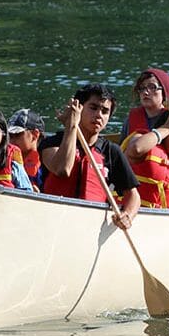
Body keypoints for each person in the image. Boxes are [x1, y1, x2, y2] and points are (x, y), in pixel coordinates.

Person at [40, 83, 140, 231]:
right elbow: (63, 169)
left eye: (105, 111)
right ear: (79, 108)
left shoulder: (111, 151)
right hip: (54, 223)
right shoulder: (52, 143)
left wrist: (128, 215)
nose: (99, 115)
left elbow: (134, 196)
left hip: (89, 228)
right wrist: (71, 125)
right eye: (93, 108)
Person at [123, 95, 169, 210]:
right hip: (127, 212)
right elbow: (136, 148)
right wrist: (168, 126)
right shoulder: (142, 139)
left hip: (163, 221)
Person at [119, 68, 169, 143]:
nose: (145, 92)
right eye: (142, 88)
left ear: (164, 93)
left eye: (152, 87)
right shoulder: (129, 121)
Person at [7, 108, 45, 192]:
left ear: (35, 135)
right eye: (10, 136)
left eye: (17, 135)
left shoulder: (46, 163)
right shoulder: (5, 158)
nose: (11, 141)